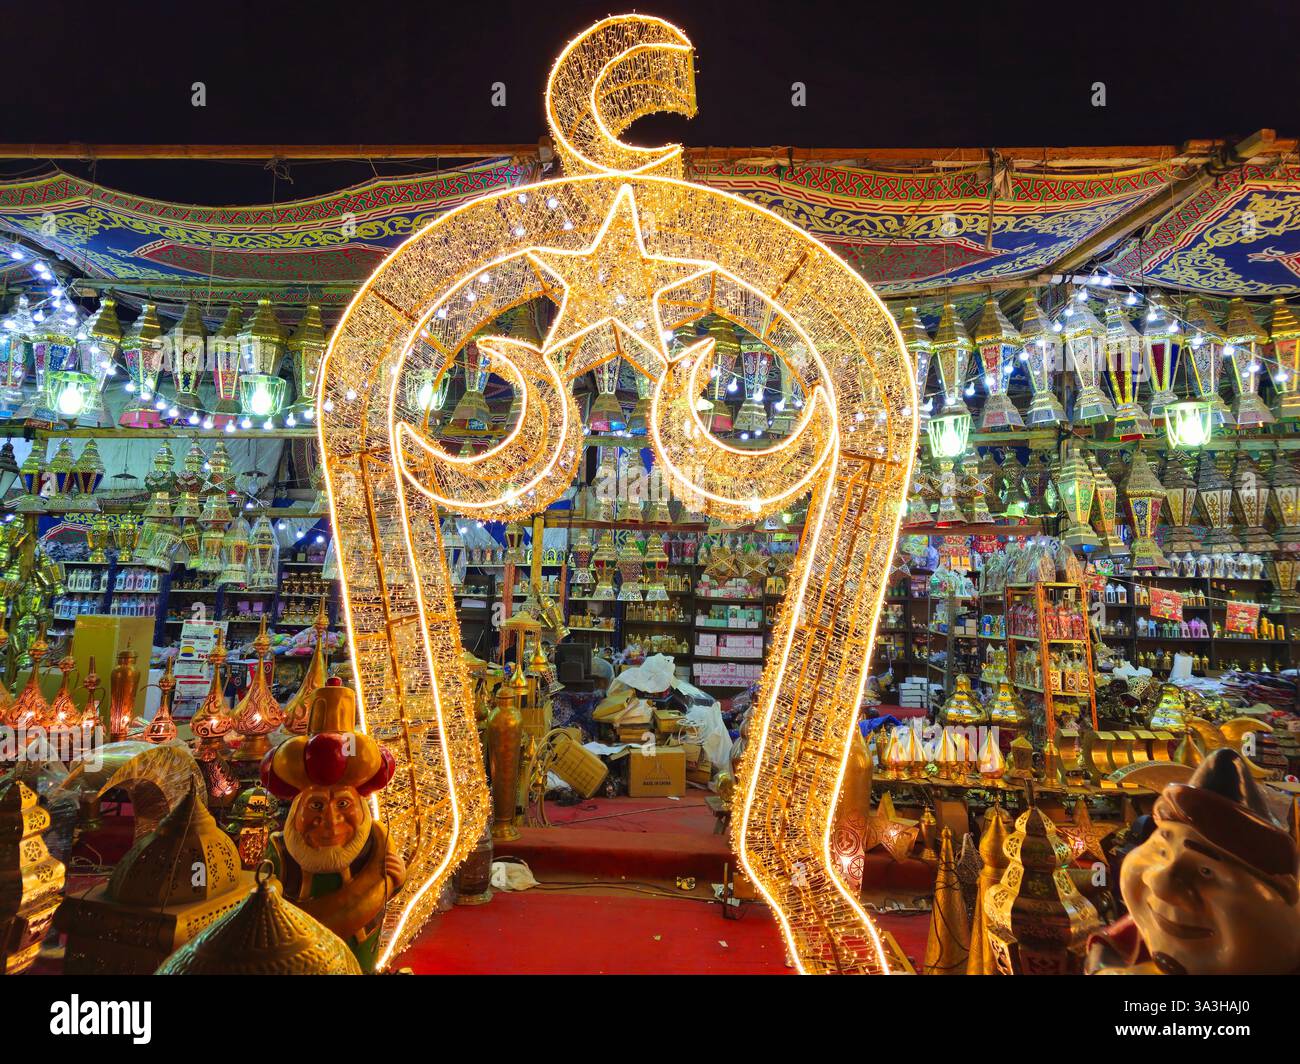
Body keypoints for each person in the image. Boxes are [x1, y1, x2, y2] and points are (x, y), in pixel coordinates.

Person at [1086, 748, 1300, 975]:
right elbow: (1109, 947)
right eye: (1162, 852)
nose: (1160, 884)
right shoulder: (1150, 924)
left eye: (1206, 871)